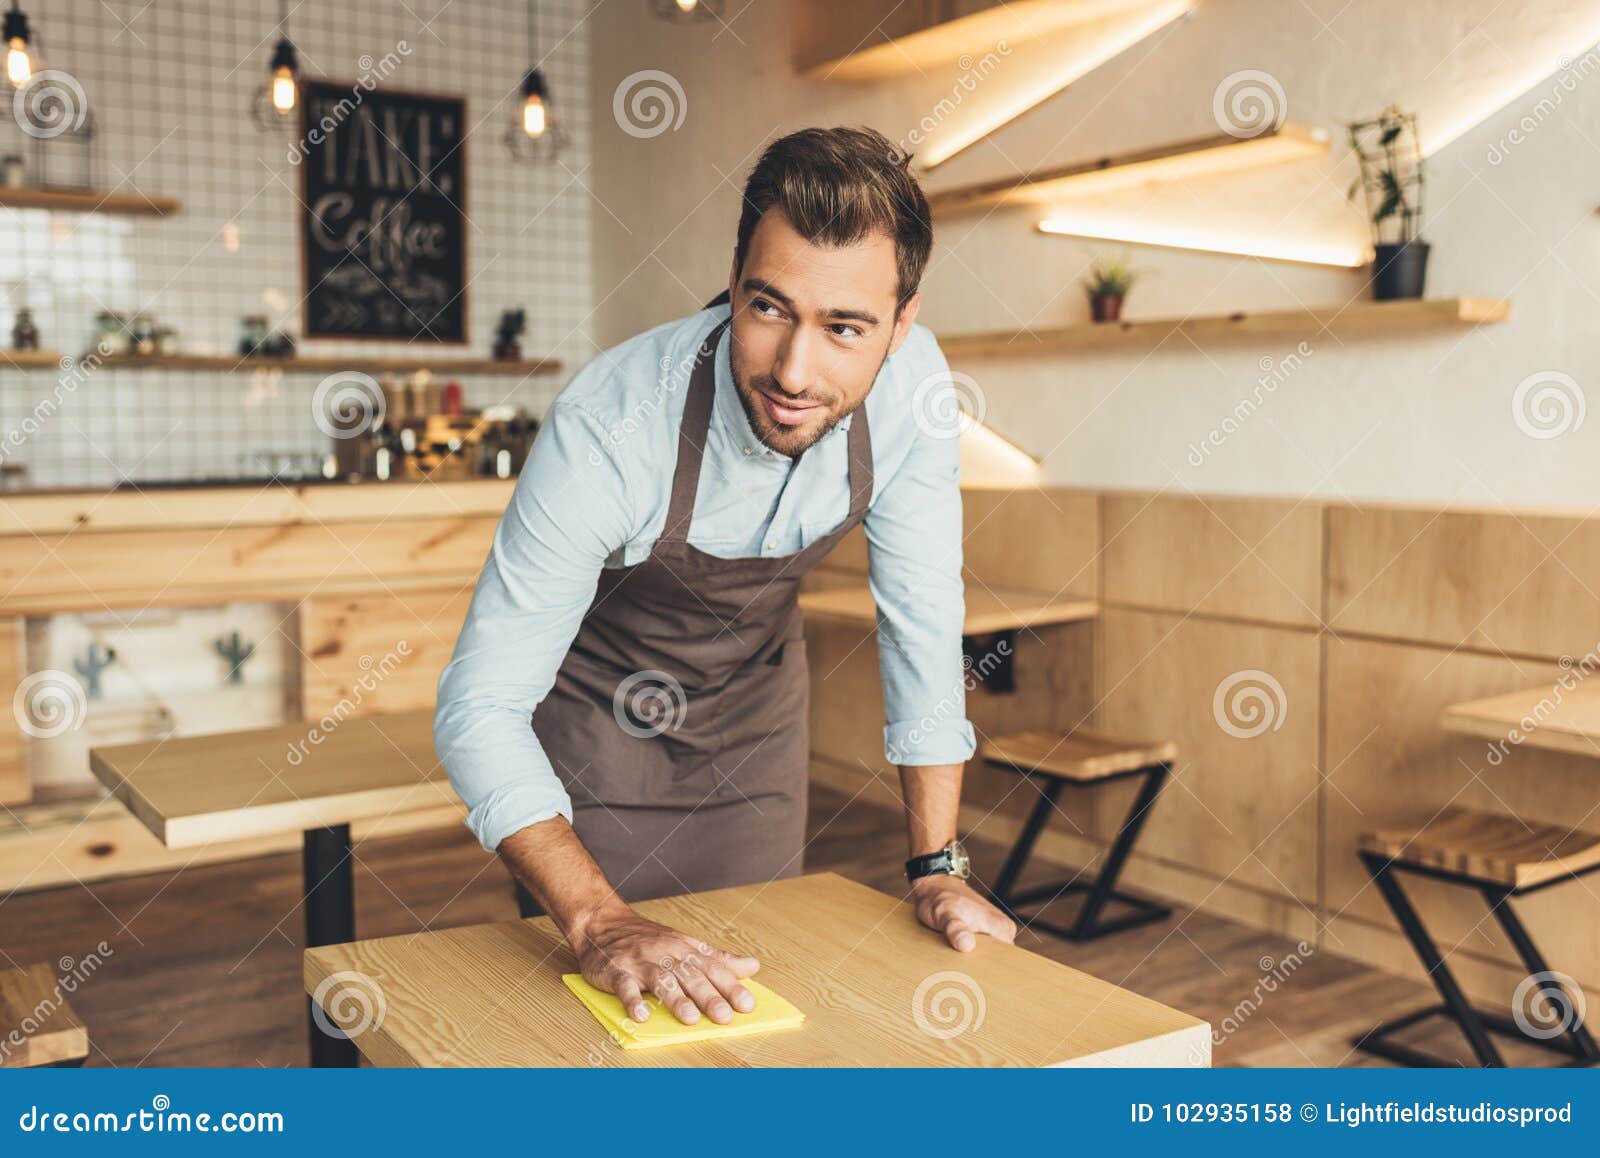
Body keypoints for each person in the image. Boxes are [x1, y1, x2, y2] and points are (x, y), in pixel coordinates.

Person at [435, 125, 1015, 1030]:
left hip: (754, 726)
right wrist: (597, 920)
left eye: (845, 328)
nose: (793, 369)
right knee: (613, 1026)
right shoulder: (611, 421)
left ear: (904, 325)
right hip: (603, 725)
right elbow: (479, 705)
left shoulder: (916, 396)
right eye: (769, 307)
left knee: (750, 1008)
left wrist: (937, 868)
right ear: (735, 275)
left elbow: (923, 626)